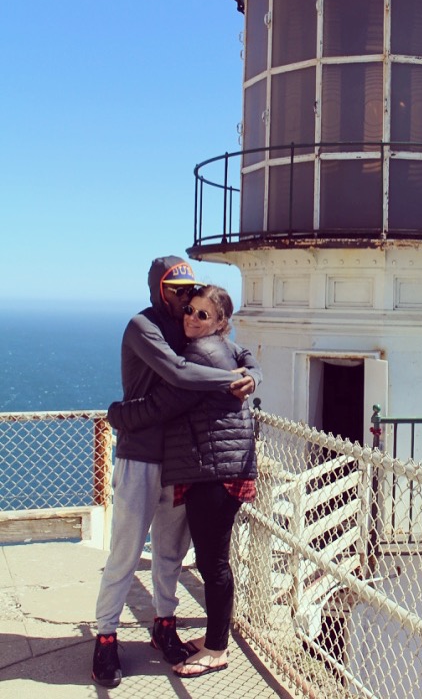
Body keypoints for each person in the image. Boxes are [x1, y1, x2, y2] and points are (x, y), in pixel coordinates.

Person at [92, 257, 257, 689]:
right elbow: (179, 374)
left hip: (179, 460)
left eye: (191, 292)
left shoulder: (190, 327)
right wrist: (231, 379)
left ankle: (164, 625)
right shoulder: (142, 326)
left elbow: (237, 351)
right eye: (177, 291)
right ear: (158, 289)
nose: (186, 302)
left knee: (169, 554)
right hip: (142, 455)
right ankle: (106, 636)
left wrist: (252, 376)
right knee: (126, 553)